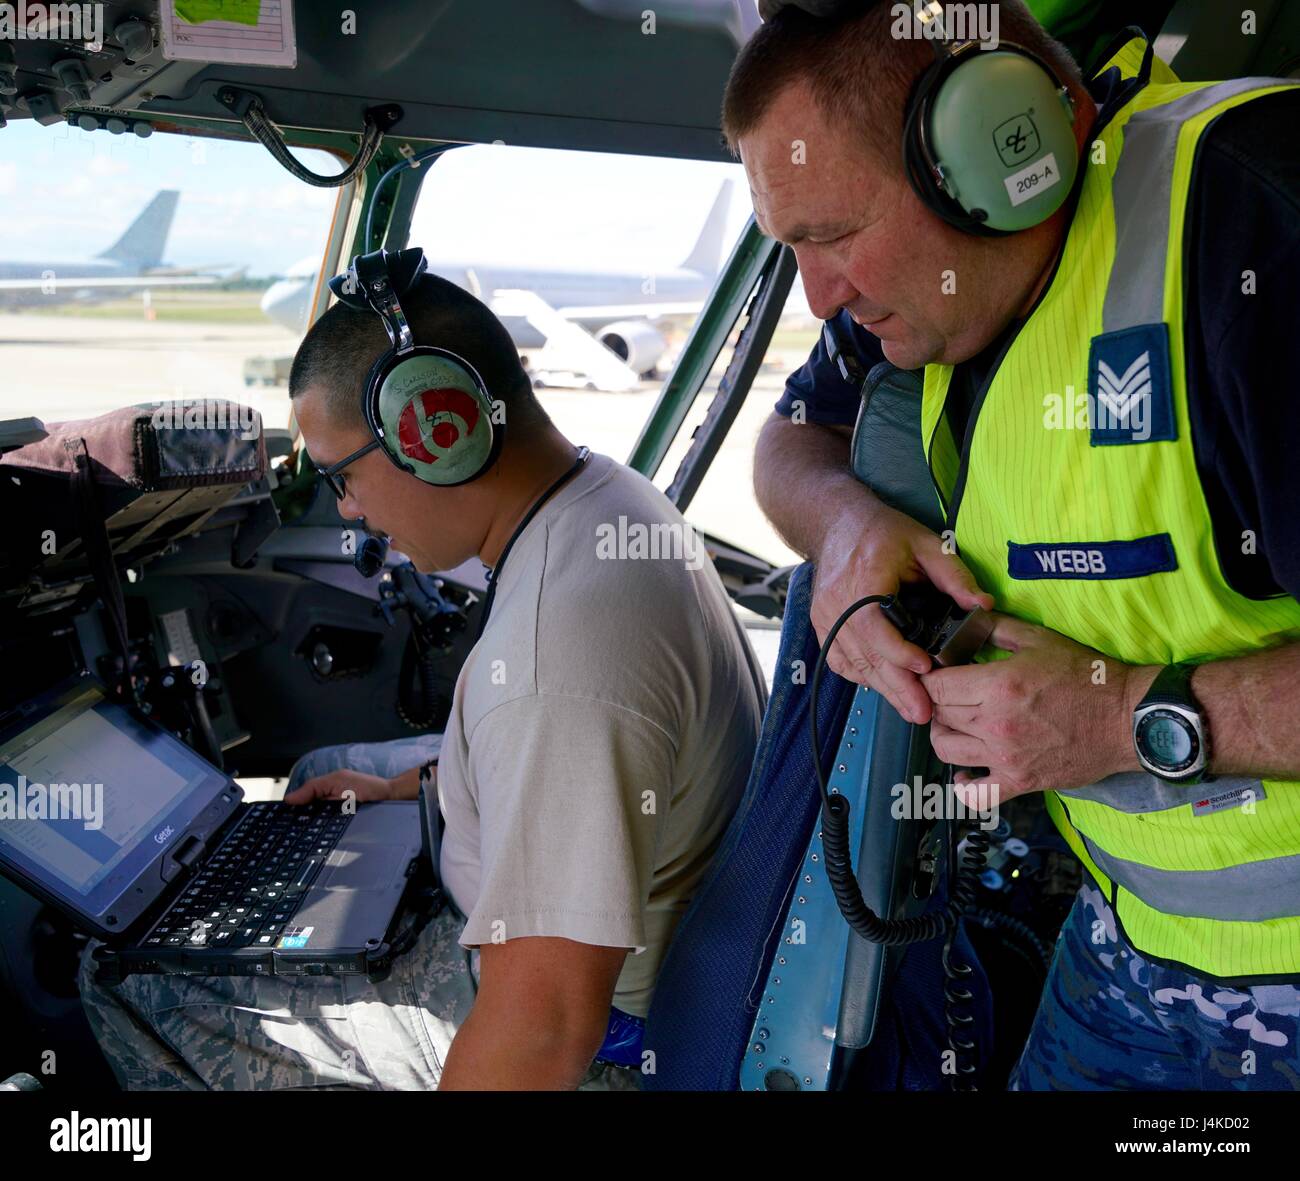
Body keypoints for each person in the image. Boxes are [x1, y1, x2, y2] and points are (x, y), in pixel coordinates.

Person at [725, 2, 1300, 1088]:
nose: (821, 295)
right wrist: (845, 529)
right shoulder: (936, 295)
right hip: (1135, 938)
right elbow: (788, 441)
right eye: (792, 249)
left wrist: (1125, 716)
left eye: (835, 236)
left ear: (999, 149)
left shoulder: (1246, 230)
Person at [79, 255, 767, 1090]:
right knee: (325, 779)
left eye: (343, 475)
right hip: (640, 917)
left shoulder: (560, 656)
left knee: (130, 977)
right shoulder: (604, 499)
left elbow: (544, 1032)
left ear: (439, 432)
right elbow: (571, 766)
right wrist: (416, 787)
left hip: (610, 1041)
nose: (347, 510)